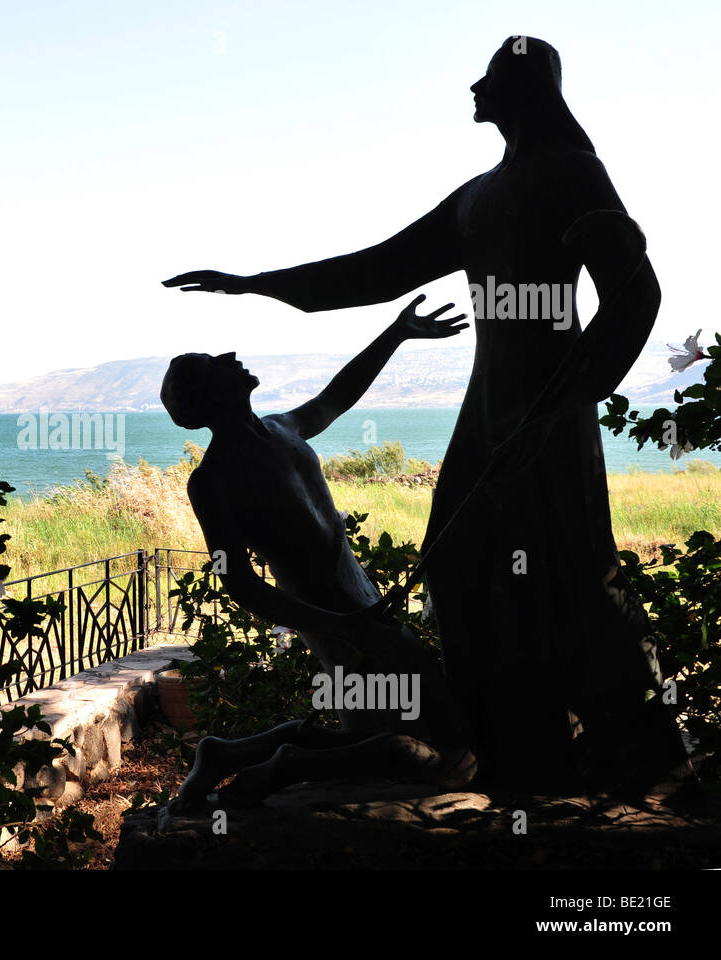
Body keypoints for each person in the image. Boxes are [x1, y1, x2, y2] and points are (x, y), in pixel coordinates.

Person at [163, 37, 684, 792]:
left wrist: (570, 396)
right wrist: (253, 283)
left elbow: (637, 293)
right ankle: (514, 751)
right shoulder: (478, 197)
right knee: (459, 563)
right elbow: (374, 269)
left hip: (545, 405)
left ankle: (640, 756)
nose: (473, 86)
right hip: (489, 409)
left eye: (491, 77)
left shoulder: (573, 174)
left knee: (570, 563)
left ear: (526, 91)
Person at [164, 295, 475, 810]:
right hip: (334, 618)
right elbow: (238, 582)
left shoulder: (282, 428)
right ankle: (278, 768)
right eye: (213, 363)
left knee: (406, 728)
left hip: (362, 601)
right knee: (444, 737)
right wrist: (338, 627)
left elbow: (338, 397)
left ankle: (229, 755)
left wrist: (396, 333)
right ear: (207, 394)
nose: (230, 356)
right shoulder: (214, 480)